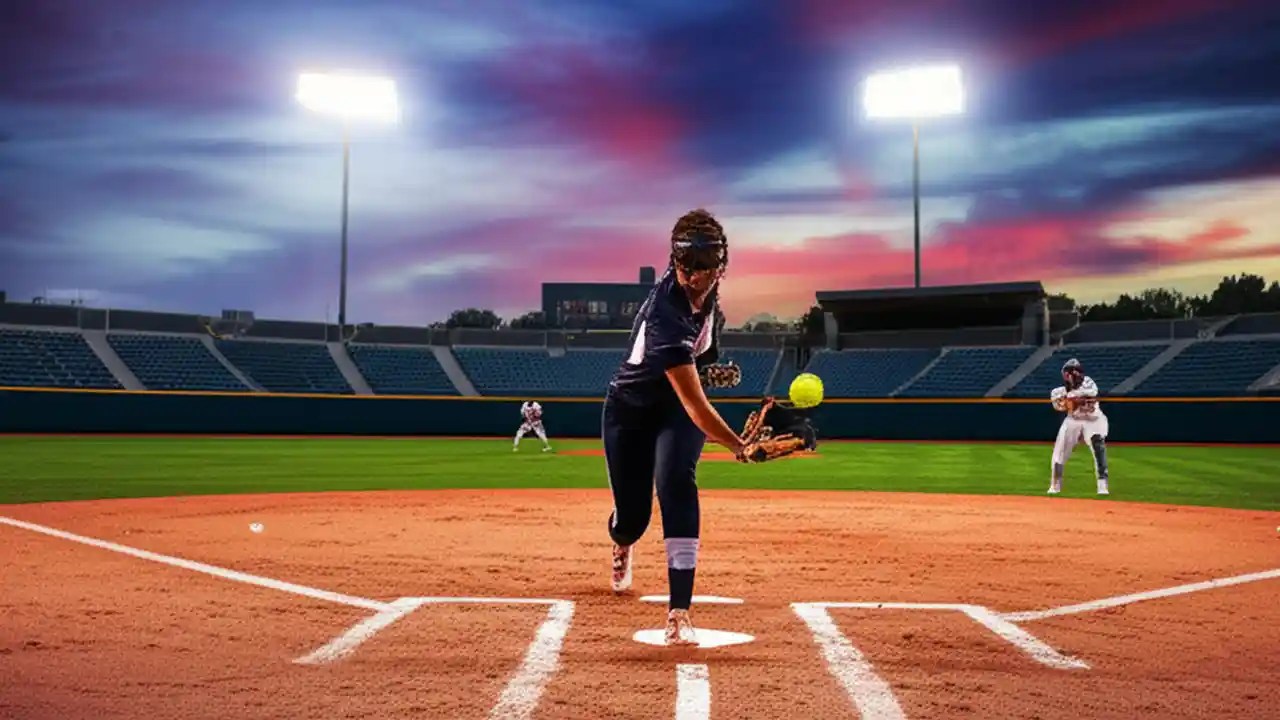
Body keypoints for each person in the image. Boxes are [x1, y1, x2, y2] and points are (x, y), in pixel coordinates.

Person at [601, 208, 750, 646]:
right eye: (686, 267)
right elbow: (696, 403)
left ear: (721, 267)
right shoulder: (667, 310)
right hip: (629, 411)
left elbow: (696, 369)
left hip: (674, 413)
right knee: (633, 519)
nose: (693, 278)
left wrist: (705, 371)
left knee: (675, 481)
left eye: (704, 269)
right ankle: (620, 539)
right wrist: (738, 445)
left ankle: (678, 611)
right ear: (674, 260)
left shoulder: (710, 300)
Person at [1048, 358, 1110, 495]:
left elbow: (1091, 393)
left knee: (1098, 447)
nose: (1076, 375)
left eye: (1077, 371)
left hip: (1094, 420)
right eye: (1071, 372)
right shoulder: (1058, 391)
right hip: (1073, 420)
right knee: (1059, 452)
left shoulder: (1088, 382)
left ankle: (1103, 485)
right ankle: (1055, 485)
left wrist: (1070, 398)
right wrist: (1068, 400)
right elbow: (1059, 406)